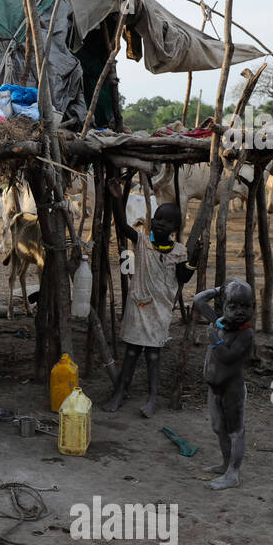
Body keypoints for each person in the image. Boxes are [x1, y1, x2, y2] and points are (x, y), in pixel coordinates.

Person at [101, 178, 193, 417]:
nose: (161, 224)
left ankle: (152, 398)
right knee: (131, 352)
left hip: (160, 310)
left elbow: (183, 278)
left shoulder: (180, 251)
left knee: (153, 354)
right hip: (138, 305)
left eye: (167, 222)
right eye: (158, 219)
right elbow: (121, 225)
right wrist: (117, 197)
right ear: (152, 221)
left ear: (175, 228)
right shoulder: (142, 241)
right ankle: (120, 392)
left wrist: (195, 260)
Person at [193, 280, 255, 491]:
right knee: (219, 428)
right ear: (223, 307)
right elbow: (198, 300)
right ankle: (226, 464)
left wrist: (215, 340)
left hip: (232, 390)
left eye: (246, 307)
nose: (239, 312)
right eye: (233, 306)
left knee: (235, 432)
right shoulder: (219, 322)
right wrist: (221, 289)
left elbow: (228, 358)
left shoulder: (245, 333)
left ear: (253, 307)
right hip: (215, 389)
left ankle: (233, 474)